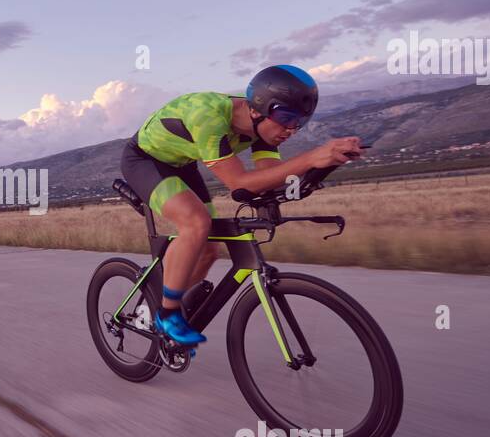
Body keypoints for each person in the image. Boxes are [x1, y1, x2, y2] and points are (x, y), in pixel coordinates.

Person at [120, 65, 362, 346]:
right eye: (286, 118)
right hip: (145, 160)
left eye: (300, 122)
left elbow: (269, 177)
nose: (291, 130)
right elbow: (240, 182)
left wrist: (324, 166)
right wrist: (311, 157)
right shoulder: (208, 116)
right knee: (196, 224)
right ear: (258, 109)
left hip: (184, 162)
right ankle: (167, 313)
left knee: (209, 250)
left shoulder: (264, 129)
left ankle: (162, 306)